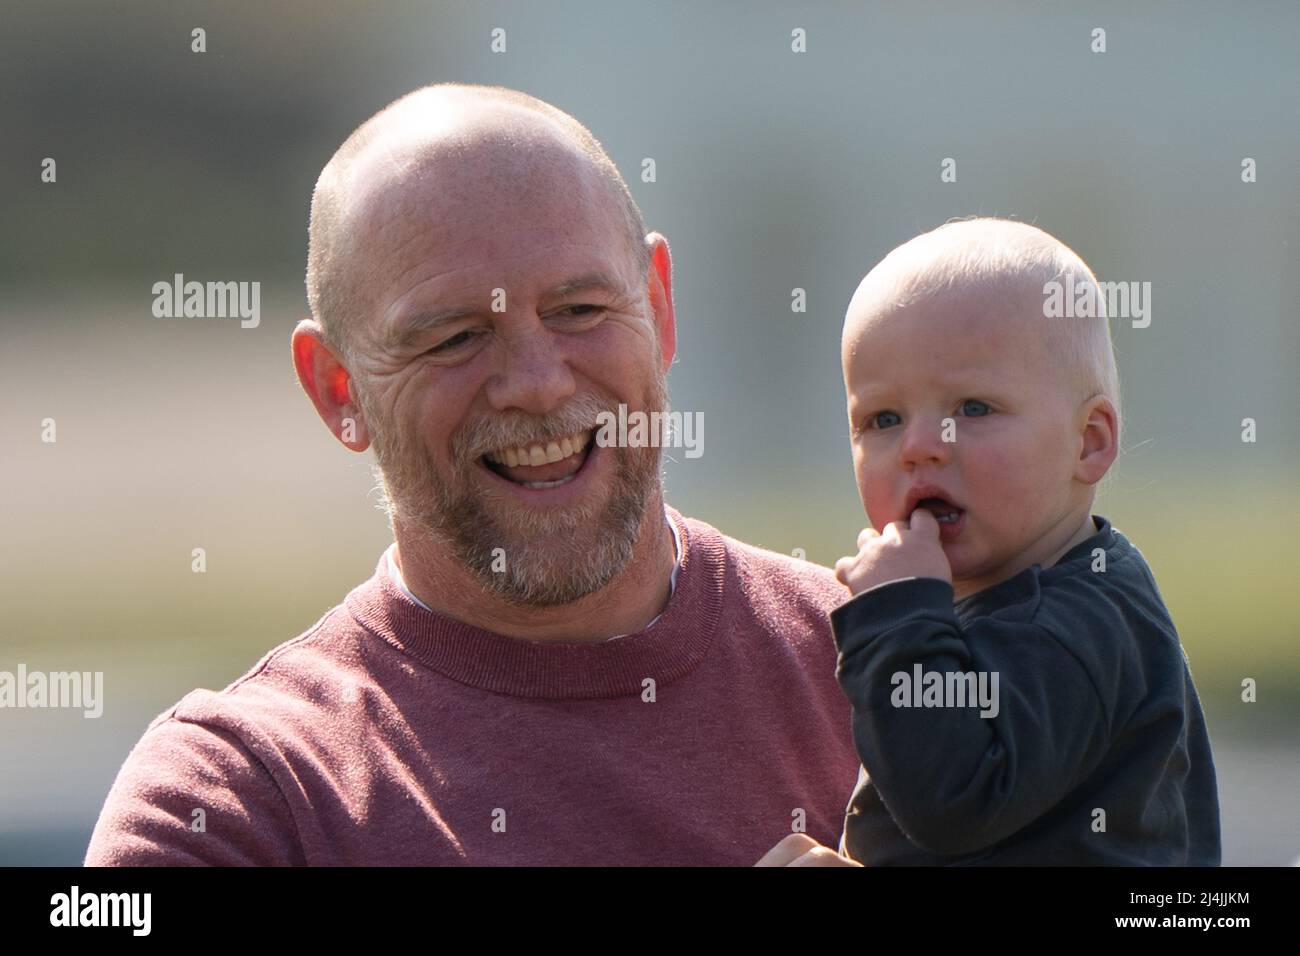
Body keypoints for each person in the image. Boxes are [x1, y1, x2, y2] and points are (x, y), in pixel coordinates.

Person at [83, 83, 861, 866]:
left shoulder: (883, 668)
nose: (537, 383)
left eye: (580, 310)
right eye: (455, 337)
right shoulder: (235, 803)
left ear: (658, 309)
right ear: (337, 390)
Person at [827, 218, 1220, 864]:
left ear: (1088, 441)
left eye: (972, 409)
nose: (921, 446)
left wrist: (894, 623)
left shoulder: (1075, 625)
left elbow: (952, 799)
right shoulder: (1013, 595)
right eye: (883, 419)